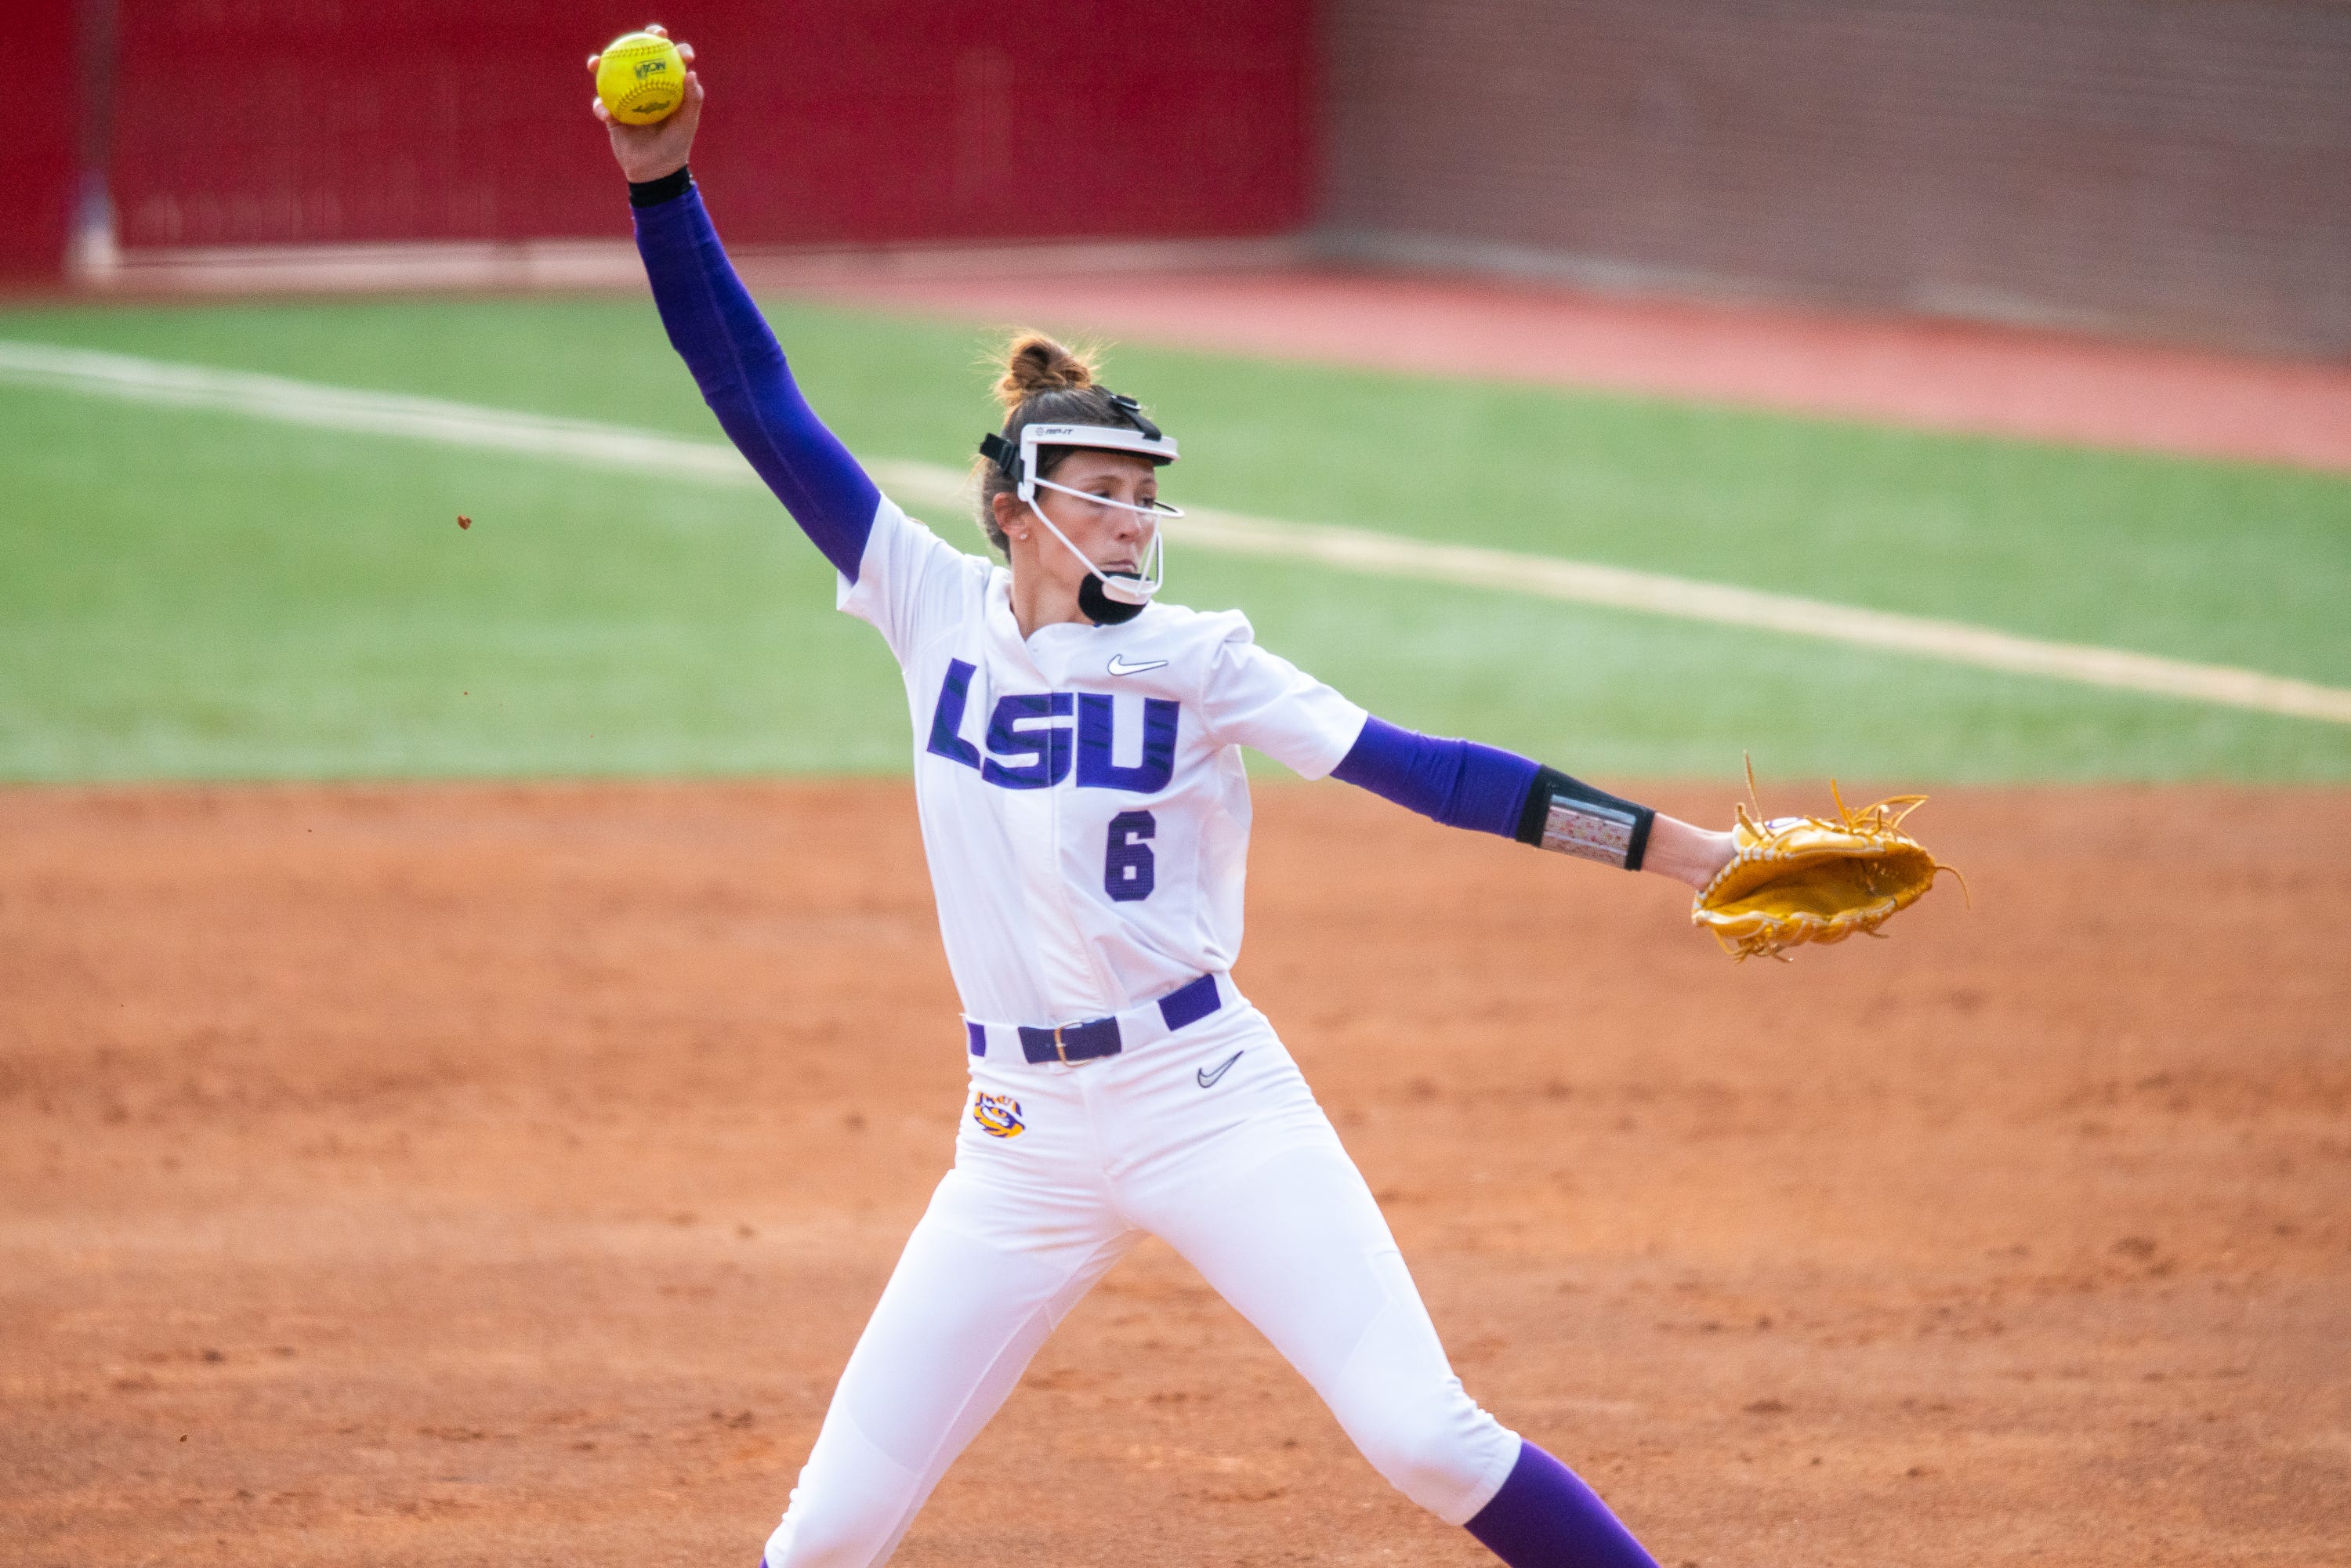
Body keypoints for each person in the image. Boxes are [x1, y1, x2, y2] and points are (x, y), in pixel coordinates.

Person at [590, 31, 1737, 1568]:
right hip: (1018, 1136)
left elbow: (1439, 774)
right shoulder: (923, 601)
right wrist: (663, 187)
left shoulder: (1204, 661)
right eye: (1101, 491)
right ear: (1013, 504)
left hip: (1211, 1102)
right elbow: (753, 393)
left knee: (1424, 1432)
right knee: (828, 1529)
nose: (1132, 521)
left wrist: (1691, 852)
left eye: (1146, 497)